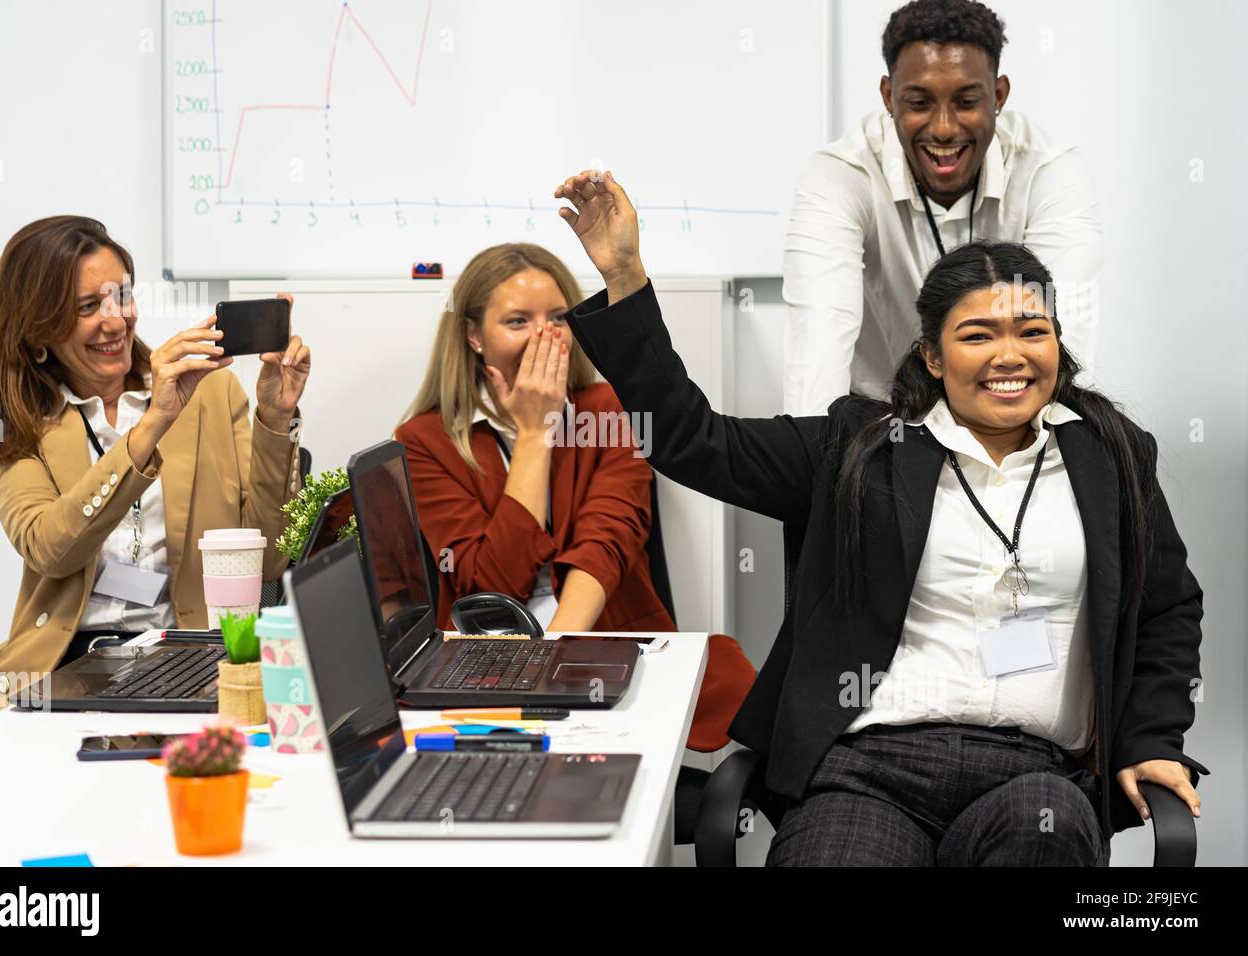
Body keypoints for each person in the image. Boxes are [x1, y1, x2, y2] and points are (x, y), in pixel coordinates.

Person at [551, 167, 1207, 865]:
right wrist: (625, 275)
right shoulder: (859, 448)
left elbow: (1168, 608)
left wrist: (1153, 741)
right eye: (978, 335)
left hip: (1037, 772)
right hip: (868, 772)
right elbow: (689, 440)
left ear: (1056, 343)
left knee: (1040, 838)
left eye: (1032, 331)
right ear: (932, 354)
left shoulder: (1111, 457)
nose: (1009, 356)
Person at [0, 215, 311, 735]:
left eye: (121, 296)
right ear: (37, 334)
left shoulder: (212, 393)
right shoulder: (15, 424)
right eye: (87, 307)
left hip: (187, 651)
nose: (116, 320)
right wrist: (153, 423)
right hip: (64, 665)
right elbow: (52, 549)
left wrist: (275, 419)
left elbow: (270, 557)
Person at [394, 242, 755, 752]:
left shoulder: (609, 410)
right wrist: (535, 436)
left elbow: (605, 543)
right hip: (488, 668)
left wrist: (551, 669)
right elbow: (491, 587)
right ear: (474, 336)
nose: (545, 335)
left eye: (559, 317)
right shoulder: (423, 440)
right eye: (518, 321)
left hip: (593, 645)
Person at [783, 0, 1101, 415]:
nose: (944, 127)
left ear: (999, 95)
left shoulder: (1049, 170)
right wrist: (819, 463)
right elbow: (817, 350)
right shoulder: (840, 176)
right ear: (888, 97)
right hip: (883, 421)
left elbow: (1061, 347)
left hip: (1004, 422)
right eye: (918, 103)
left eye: (967, 102)